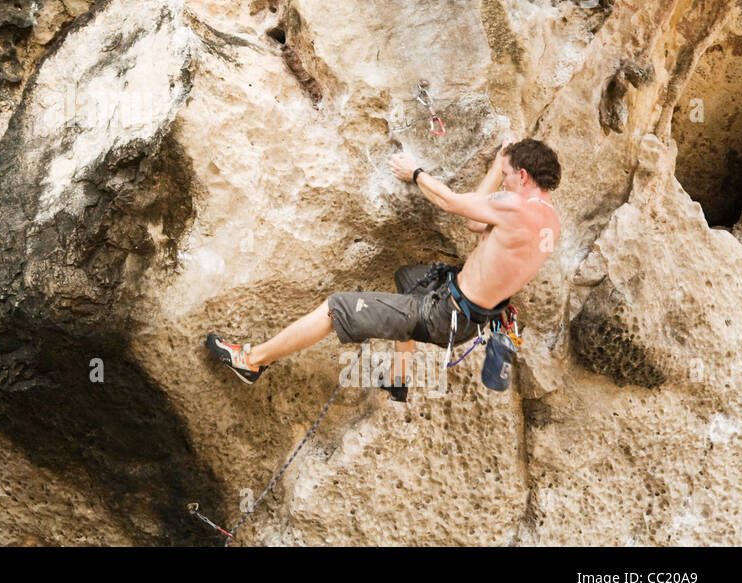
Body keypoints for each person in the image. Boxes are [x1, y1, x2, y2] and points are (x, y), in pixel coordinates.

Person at [206, 138, 561, 400]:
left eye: (508, 175)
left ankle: (252, 361)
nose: (505, 181)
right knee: (408, 277)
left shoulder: (516, 207)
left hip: (440, 314)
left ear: (524, 176)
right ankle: (398, 377)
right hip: (467, 318)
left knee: (336, 307)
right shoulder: (549, 224)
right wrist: (496, 168)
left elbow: (450, 202)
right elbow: (474, 223)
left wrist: (416, 173)